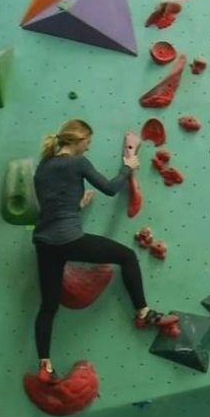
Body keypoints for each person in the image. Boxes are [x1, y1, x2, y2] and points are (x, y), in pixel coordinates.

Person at [32, 118, 178, 382]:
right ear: (77, 140)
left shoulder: (43, 166)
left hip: (44, 243)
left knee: (48, 306)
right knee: (127, 256)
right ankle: (143, 313)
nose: (88, 147)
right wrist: (127, 167)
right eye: (88, 142)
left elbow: (52, 204)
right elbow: (110, 189)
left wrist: (77, 205)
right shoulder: (77, 163)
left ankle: (45, 366)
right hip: (69, 239)